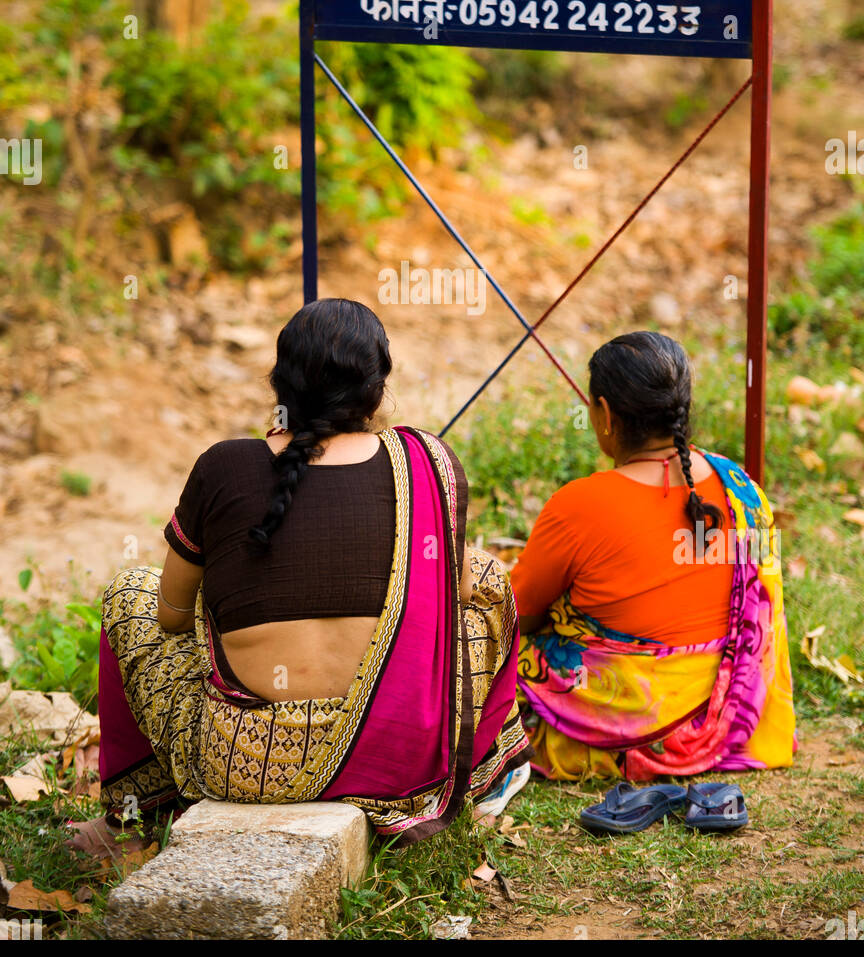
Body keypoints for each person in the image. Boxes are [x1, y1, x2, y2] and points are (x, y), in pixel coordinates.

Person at [76, 299, 530, 855]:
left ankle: (132, 820)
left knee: (131, 592)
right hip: (397, 757)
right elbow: (457, 593)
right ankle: (483, 779)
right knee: (487, 580)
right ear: (378, 387)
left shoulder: (223, 466)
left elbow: (169, 616)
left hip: (243, 765)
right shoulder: (427, 464)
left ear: (279, 382)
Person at [511, 331, 796, 782]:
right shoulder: (743, 490)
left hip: (615, 727)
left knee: (476, 633)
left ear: (604, 414)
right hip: (729, 722)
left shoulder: (579, 506)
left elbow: (518, 614)